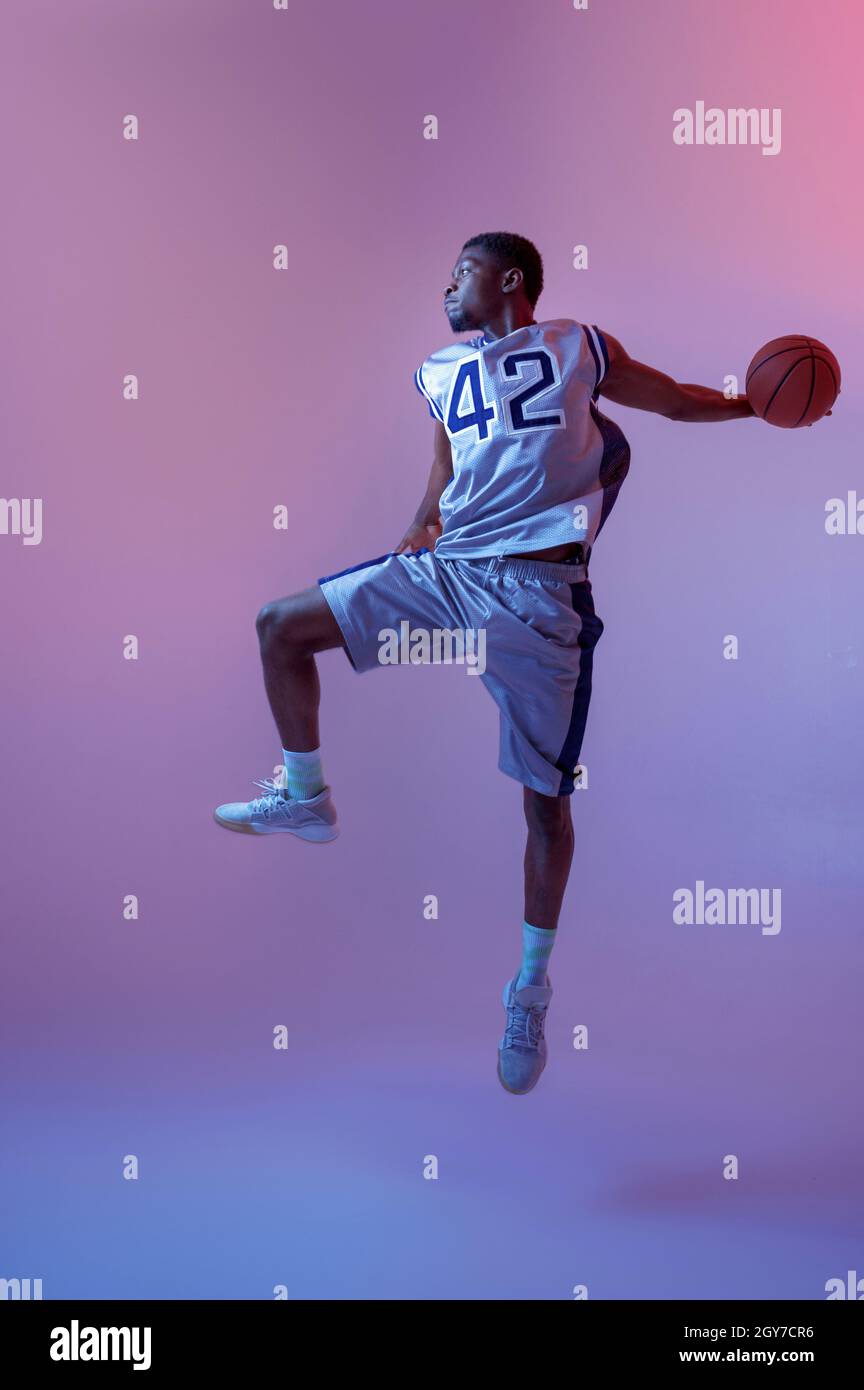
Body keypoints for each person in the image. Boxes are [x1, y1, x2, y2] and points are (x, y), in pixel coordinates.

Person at [214, 231, 755, 1094]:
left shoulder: (577, 341)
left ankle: (529, 990)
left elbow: (673, 403)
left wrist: (752, 404)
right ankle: (306, 796)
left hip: (542, 602)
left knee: (544, 810)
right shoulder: (439, 371)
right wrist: (414, 533)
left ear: (509, 280)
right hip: (452, 577)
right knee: (281, 626)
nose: (445, 289)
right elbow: (443, 473)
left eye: (458, 273)